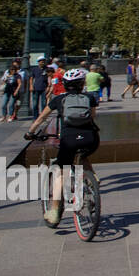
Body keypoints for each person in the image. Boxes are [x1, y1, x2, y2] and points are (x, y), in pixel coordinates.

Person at [24, 67, 99, 228]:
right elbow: (93, 117)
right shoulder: (90, 98)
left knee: (60, 171)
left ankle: (55, 211)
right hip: (90, 139)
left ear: (65, 84)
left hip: (69, 140)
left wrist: (30, 132)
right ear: (82, 84)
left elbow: (41, 118)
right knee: (83, 154)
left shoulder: (58, 100)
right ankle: (92, 181)